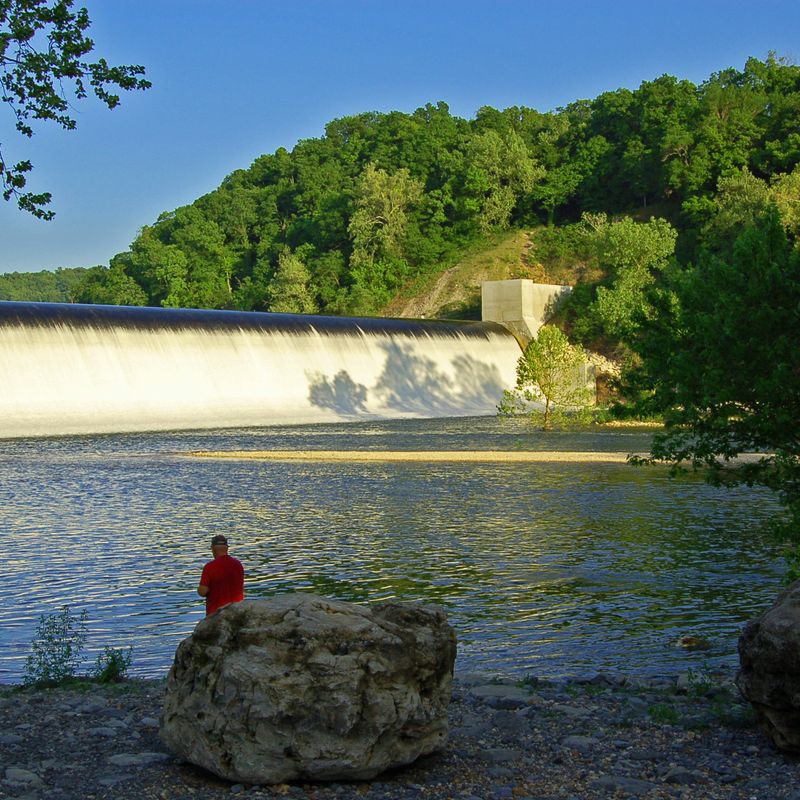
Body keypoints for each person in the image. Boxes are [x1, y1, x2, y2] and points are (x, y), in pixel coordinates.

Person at [197, 534, 244, 616]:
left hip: (216, 615)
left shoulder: (210, 567)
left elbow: (203, 592)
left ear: (213, 548)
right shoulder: (238, 564)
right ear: (227, 548)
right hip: (237, 612)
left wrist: (199, 589)